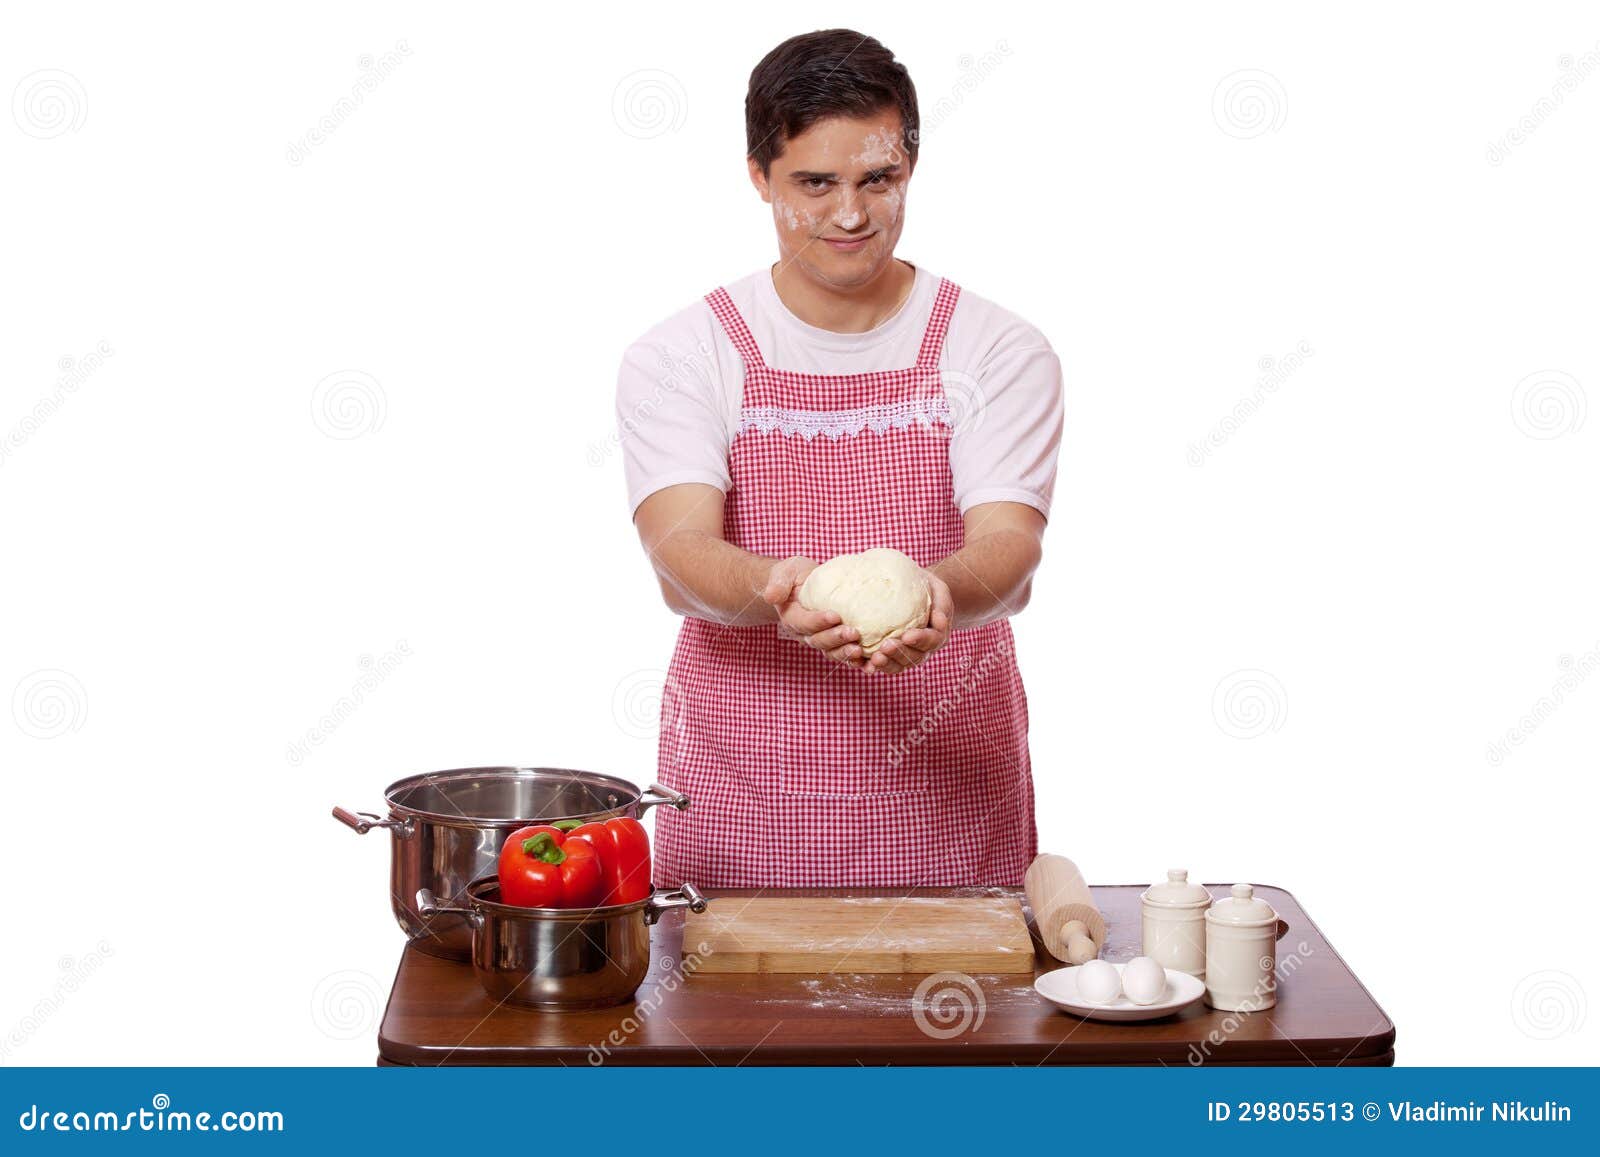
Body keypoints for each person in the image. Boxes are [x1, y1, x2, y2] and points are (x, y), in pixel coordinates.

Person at [615, 29, 1063, 888]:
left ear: (911, 166)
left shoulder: (999, 348)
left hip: (948, 793)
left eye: (877, 180)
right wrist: (781, 593)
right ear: (759, 176)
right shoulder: (682, 353)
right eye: (814, 184)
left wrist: (941, 594)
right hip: (746, 793)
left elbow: (1012, 553)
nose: (851, 214)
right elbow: (678, 555)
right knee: (730, 1014)